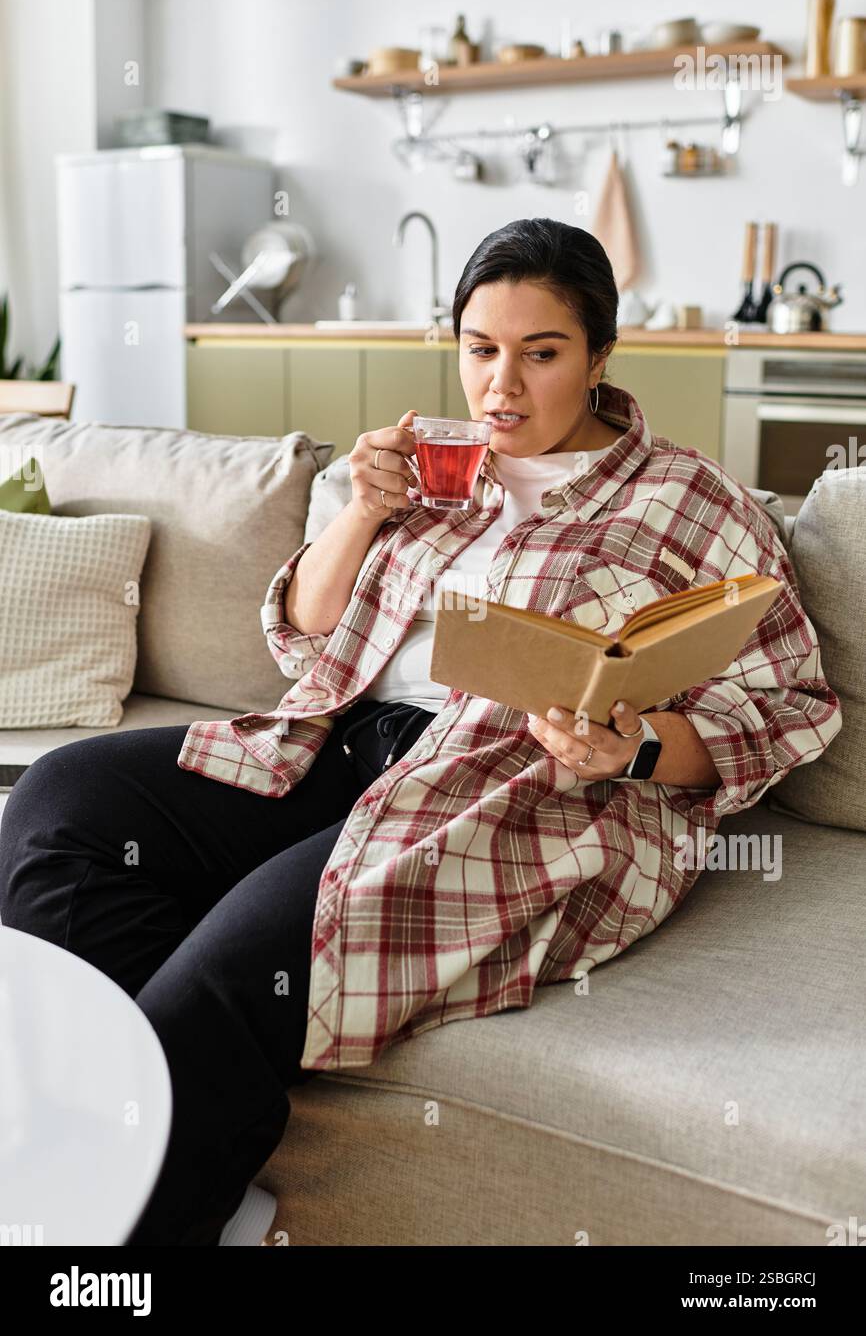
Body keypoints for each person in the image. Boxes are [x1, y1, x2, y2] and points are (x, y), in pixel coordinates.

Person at [0, 218, 842, 1247]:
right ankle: (160, 1114)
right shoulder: (434, 469)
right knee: (56, 808)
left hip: (513, 791)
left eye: (541, 353)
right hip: (341, 740)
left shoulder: (690, 500)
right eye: (481, 349)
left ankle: (109, 1238)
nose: (503, 386)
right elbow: (302, 635)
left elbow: (787, 702)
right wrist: (356, 510)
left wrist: (636, 748)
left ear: (599, 358)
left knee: (242, 967)